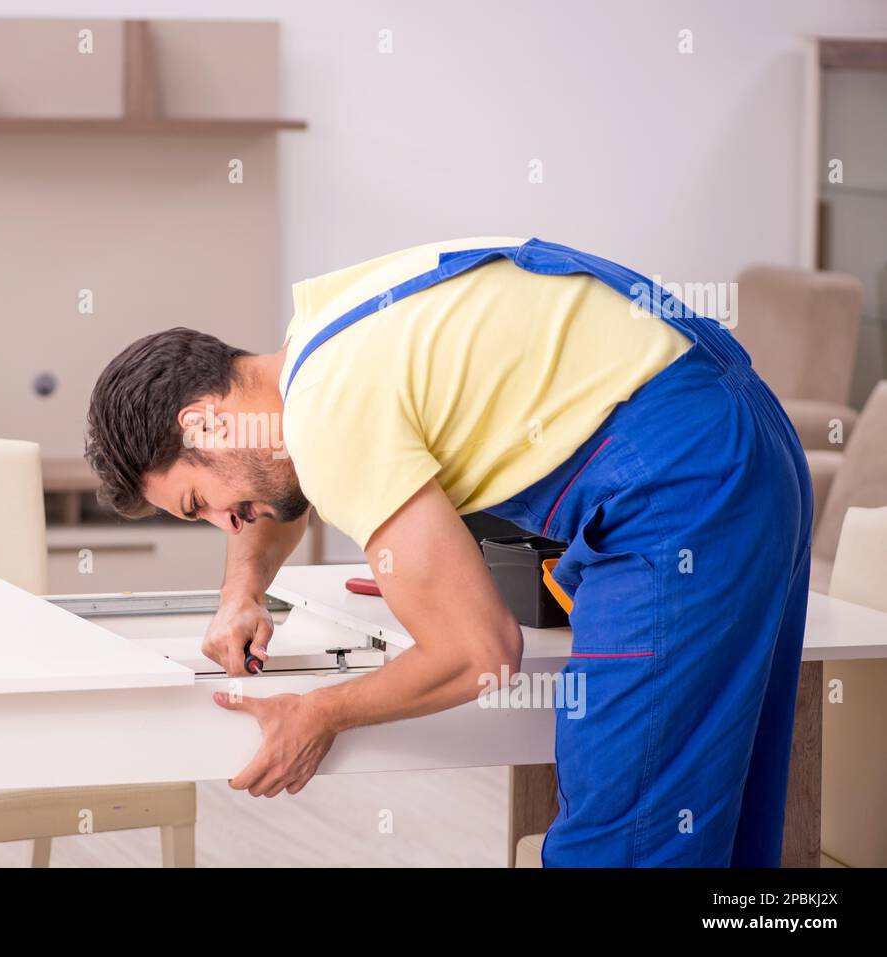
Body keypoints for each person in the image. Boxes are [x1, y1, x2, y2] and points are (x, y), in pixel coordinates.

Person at [83, 237, 812, 866]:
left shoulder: (330, 417)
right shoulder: (323, 341)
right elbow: (280, 491)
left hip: (681, 485)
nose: (225, 522)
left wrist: (320, 712)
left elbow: (479, 652)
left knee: (625, 836)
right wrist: (242, 590)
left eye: (197, 502)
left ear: (205, 424)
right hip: (736, 434)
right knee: (716, 818)